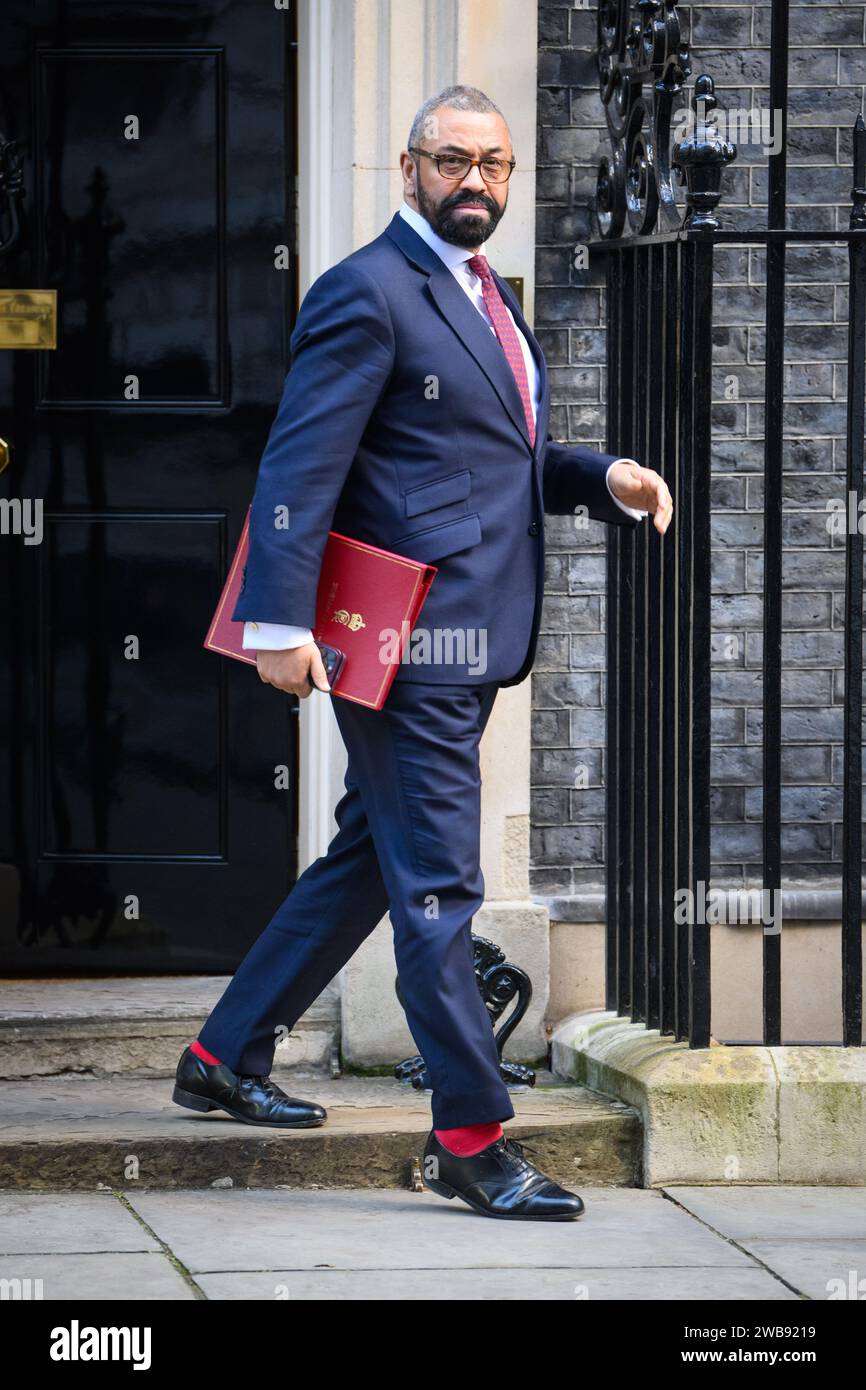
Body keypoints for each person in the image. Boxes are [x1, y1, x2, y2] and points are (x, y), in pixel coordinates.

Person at [173, 85, 673, 1221]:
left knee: (370, 854)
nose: (476, 184)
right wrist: (278, 626)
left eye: (494, 166)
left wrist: (598, 476)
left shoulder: (483, 291)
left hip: (466, 638)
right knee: (441, 887)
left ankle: (220, 1053)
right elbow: (297, 470)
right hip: (403, 648)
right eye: (453, 162)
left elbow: (501, 458)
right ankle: (469, 1135)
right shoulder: (366, 293)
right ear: (408, 169)